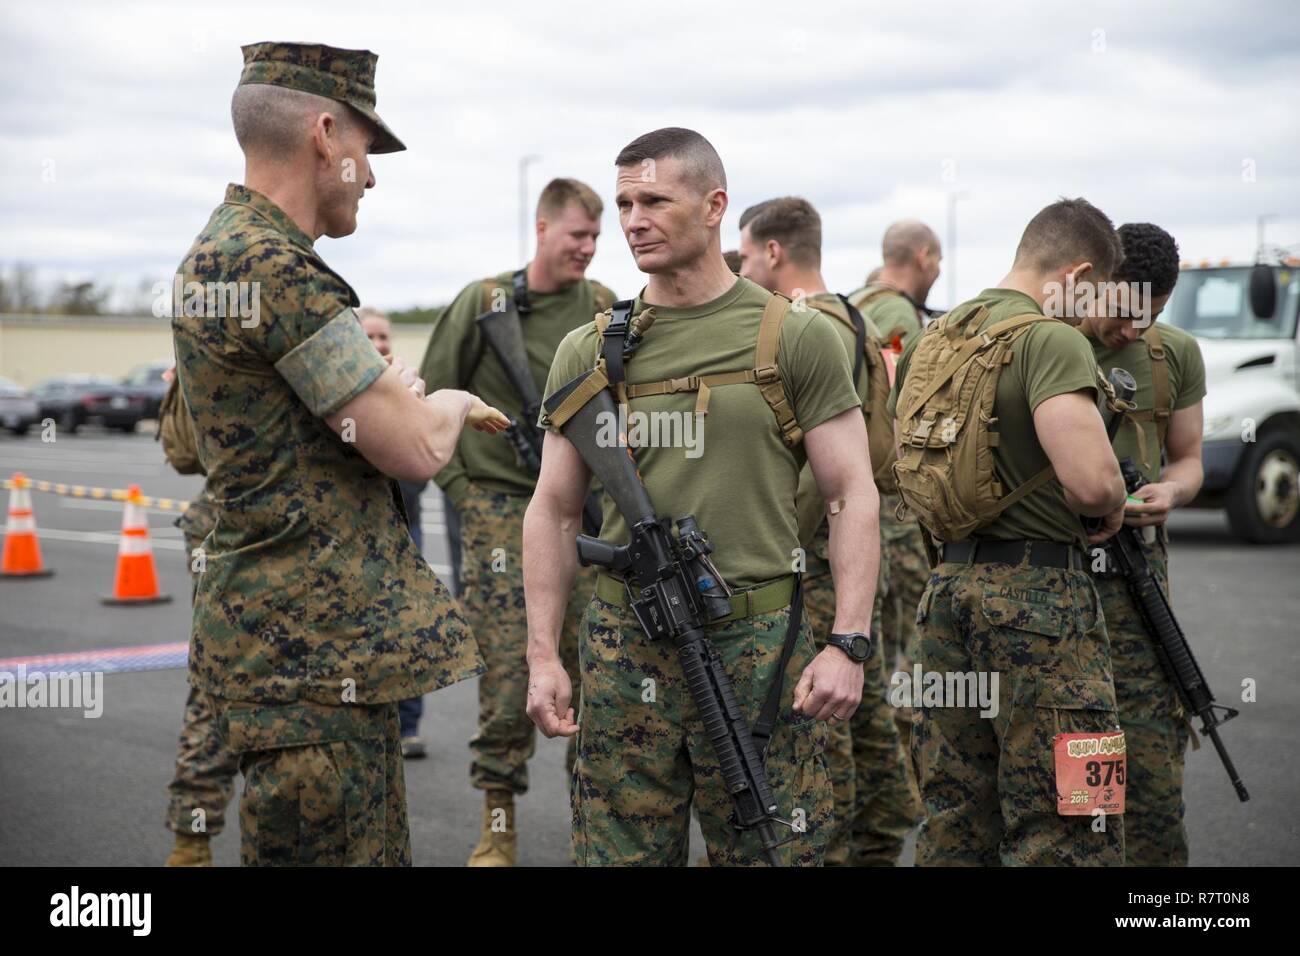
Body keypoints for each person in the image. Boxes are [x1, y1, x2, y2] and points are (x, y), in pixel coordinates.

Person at [172, 41, 508, 866]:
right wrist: (454, 400)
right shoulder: (275, 267)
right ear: (325, 134)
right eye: (365, 147)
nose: (371, 173)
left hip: (291, 655)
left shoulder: (221, 255)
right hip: (316, 663)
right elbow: (414, 448)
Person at [525, 128, 879, 866]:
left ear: (716, 205)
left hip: (759, 648)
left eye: (654, 199)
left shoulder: (796, 337)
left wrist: (849, 640)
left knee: (773, 851)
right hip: (625, 649)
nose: (632, 220)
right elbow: (554, 512)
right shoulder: (589, 349)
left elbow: (851, 494)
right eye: (624, 202)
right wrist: (543, 658)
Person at [890, 197, 1129, 866]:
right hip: (1041, 606)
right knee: (1071, 817)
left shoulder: (937, 337)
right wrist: (1112, 498)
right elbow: (1089, 483)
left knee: (956, 814)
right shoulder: (1049, 339)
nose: (1093, 315)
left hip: (946, 594)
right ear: (1078, 275)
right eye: (1096, 297)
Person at [419, 177, 615, 866]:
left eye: (595, 237)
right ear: (541, 229)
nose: (588, 248)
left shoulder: (601, 307)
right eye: (576, 235)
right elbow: (431, 396)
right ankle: (497, 826)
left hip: (586, 512)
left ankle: (592, 825)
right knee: (511, 673)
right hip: (502, 510)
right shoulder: (486, 302)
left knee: (596, 665)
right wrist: (464, 488)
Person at [737, 195, 920, 865]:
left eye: (748, 254)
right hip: (860, 541)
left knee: (819, 719)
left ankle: (836, 847)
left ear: (775, 252)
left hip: (820, 554)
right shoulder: (853, 314)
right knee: (862, 708)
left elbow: (824, 471)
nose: (743, 267)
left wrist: (778, 543)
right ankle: (883, 828)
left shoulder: (808, 323)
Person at [1078, 222, 1205, 865]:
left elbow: (1188, 459)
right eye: (1124, 314)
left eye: (1149, 318)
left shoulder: (1173, 354)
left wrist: (1170, 495)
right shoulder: (1046, 346)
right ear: (1094, 285)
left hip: (1139, 590)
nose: (1133, 332)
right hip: (1058, 589)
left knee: (1151, 778)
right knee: (1072, 783)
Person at [849, 221, 943, 776]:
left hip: (851, 490)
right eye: (938, 262)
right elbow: (904, 412)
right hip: (888, 501)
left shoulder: (854, 302)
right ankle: (897, 773)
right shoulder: (901, 318)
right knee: (903, 639)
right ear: (924, 256)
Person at [158, 374, 238, 866]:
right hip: (242, 530)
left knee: (220, 682)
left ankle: (192, 841)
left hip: (222, 521)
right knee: (220, 684)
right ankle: (192, 842)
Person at [359, 306, 432, 759]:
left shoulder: (410, 391)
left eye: (384, 337)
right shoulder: (344, 397)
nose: (380, 345)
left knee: (410, 629)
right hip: (360, 540)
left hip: (407, 531)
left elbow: (420, 470)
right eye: (369, 337)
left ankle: (408, 726)